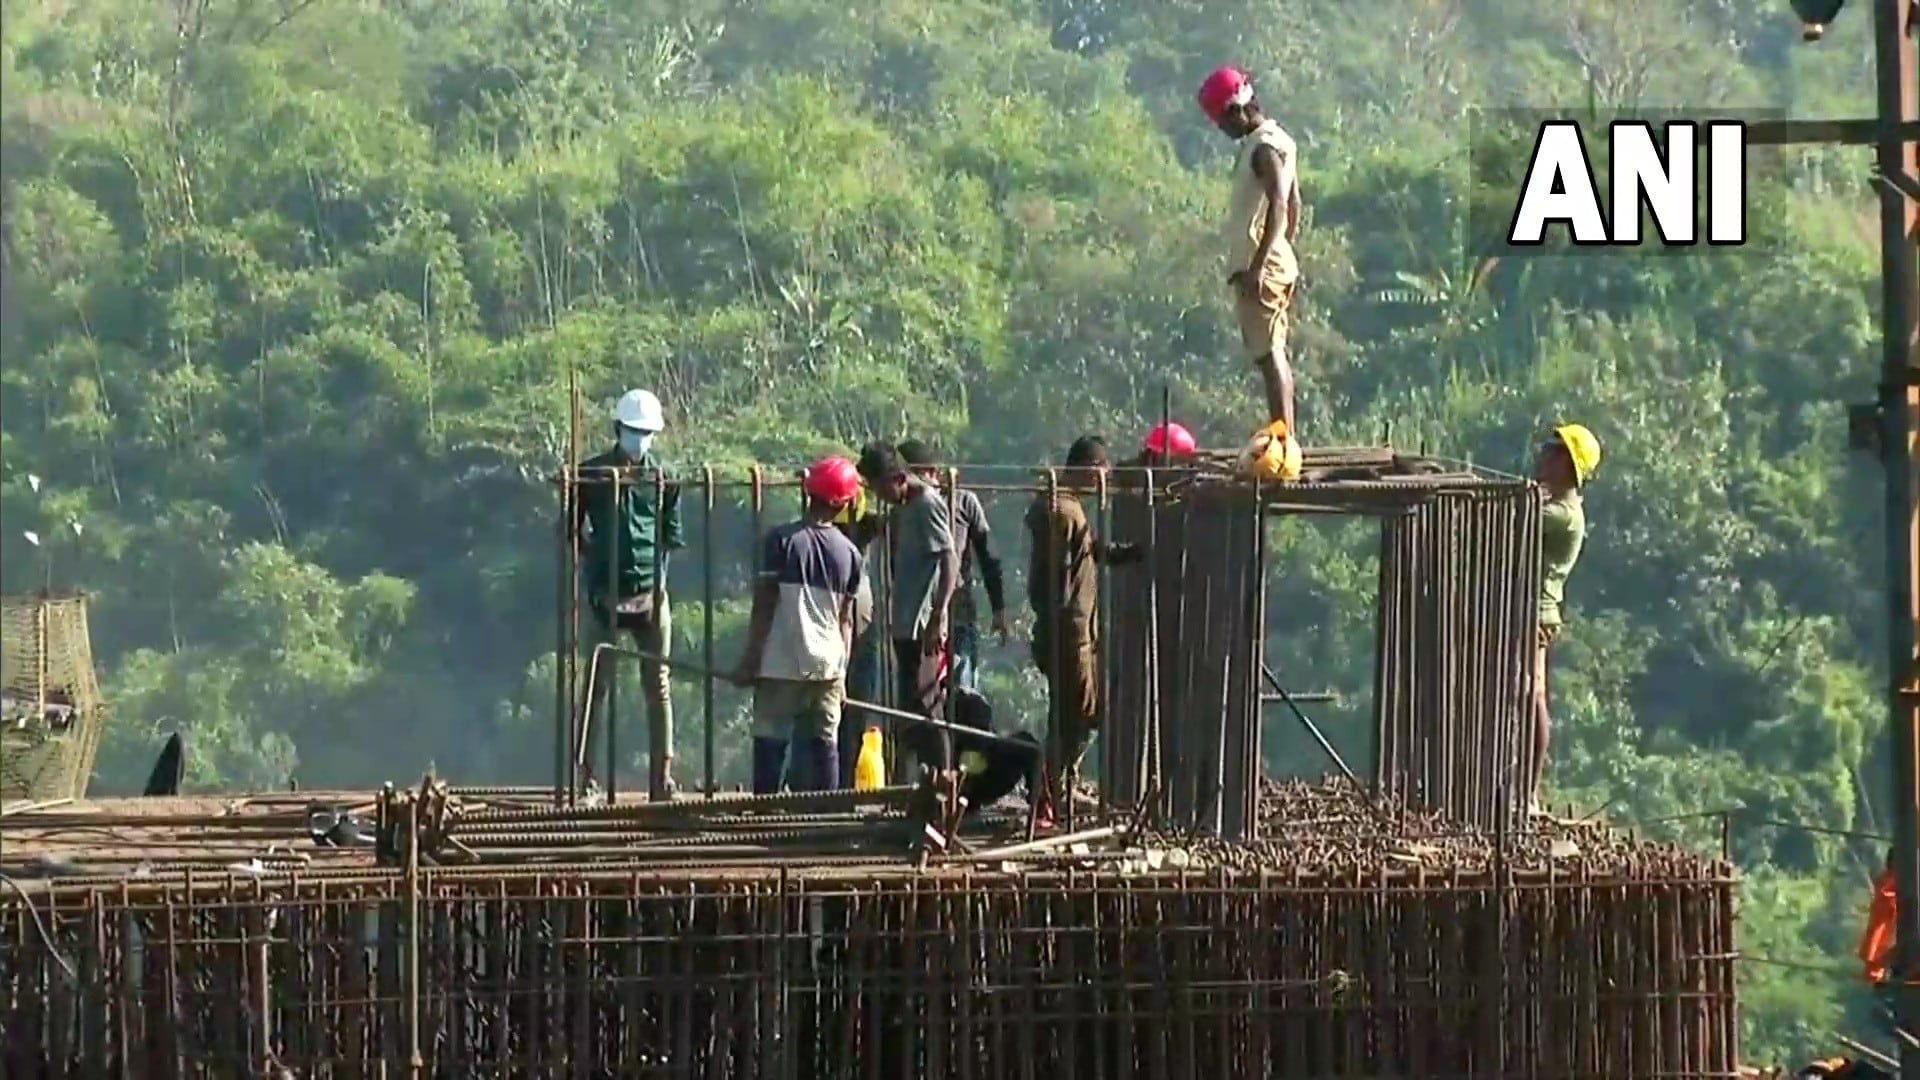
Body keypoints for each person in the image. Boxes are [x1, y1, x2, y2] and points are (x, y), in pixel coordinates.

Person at [1024, 435, 1143, 826]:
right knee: (1079, 715)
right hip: (1068, 631)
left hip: (1075, 629)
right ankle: (1048, 790)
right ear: (1091, 469)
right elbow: (1054, 573)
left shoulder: (1067, 507)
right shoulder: (1061, 509)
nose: (1103, 480)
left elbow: (1088, 551)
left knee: (1074, 713)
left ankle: (1054, 788)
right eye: (1102, 472)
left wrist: (1125, 553)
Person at [731, 457, 866, 794]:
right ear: (843, 503)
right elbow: (845, 621)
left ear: (810, 493)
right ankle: (826, 820)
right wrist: (842, 674)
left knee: (770, 741)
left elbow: (764, 606)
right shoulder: (850, 553)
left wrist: (750, 660)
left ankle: (765, 817)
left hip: (782, 661)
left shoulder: (781, 541)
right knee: (825, 746)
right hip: (828, 667)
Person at [573, 388, 683, 795]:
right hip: (604, 593)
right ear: (618, 429)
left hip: (651, 591)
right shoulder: (593, 475)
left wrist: (657, 584)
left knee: (659, 684)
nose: (640, 440)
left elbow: (671, 536)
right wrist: (596, 565)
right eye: (634, 431)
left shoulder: (663, 478)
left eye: (647, 433)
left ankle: (663, 777)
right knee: (597, 686)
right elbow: (572, 529)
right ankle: (586, 777)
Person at [1197, 65, 1303, 434]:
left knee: (1270, 356)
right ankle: (1283, 435)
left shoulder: (1262, 148)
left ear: (1236, 110)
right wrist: (1285, 250)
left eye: (1222, 123)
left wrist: (1260, 267)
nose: (1223, 131)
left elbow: (1278, 203)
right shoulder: (1280, 141)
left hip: (1262, 267)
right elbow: (1295, 206)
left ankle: (1283, 439)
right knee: (1271, 354)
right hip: (1276, 261)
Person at [897, 439, 1011, 692]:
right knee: (919, 694)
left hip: (956, 610)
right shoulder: (902, 507)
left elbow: (988, 555)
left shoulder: (962, 502)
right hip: (914, 616)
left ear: (931, 473)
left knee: (961, 689)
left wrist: (998, 608)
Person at [1528, 422, 1600, 814]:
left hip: (1533, 615)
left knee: (1531, 696)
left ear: (1567, 466)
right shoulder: (1555, 506)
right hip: (1527, 613)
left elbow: (1515, 519)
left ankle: (1529, 792)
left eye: (1552, 451)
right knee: (1525, 695)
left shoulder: (1561, 515)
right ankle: (1524, 789)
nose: (1542, 455)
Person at [861, 444, 959, 727]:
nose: (880, 496)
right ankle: (918, 768)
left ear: (900, 479)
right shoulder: (904, 507)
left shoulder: (928, 503)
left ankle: (943, 768)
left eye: (881, 488)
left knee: (926, 701)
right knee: (907, 706)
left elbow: (948, 557)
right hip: (904, 621)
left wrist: (937, 616)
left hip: (922, 624)